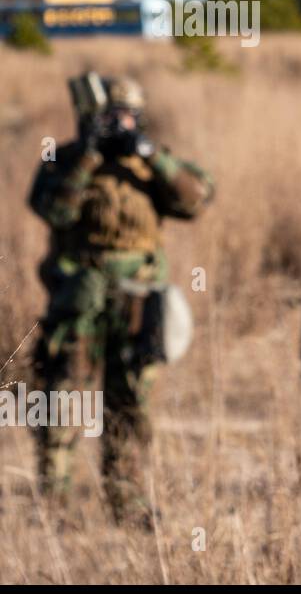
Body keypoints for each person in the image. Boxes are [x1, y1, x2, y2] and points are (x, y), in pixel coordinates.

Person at [28, 71, 214, 524]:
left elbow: (195, 199)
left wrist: (151, 156)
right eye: (109, 116)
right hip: (78, 301)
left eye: (127, 116)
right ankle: (56, 503)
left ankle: (126, 500)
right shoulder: (63, 160)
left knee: (130, 402)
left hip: (137, 303)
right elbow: (54, 209)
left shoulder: (149, 166)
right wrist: (89, 157)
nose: (118, 124)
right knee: (61, 397)